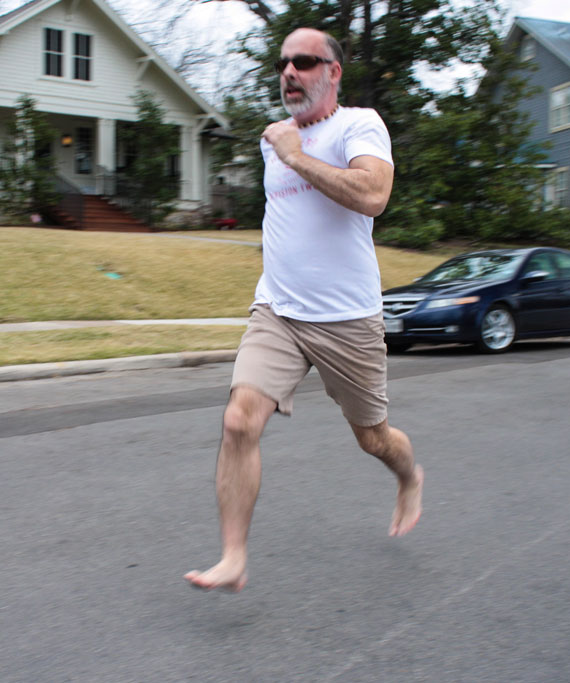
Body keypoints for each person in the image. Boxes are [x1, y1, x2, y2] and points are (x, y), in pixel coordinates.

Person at [184, 28, 424, 593]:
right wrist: (284, 148)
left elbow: (372, 196)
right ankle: (234, 557)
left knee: (373, 438)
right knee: (239, 420)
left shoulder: (358, 125)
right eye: (284, 62)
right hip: (280, 311)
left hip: (348, 320)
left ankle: (409, 474)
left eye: (305, 61)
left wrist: (297, 155)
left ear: (333, 72)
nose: (290, 71)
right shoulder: (275, 139)